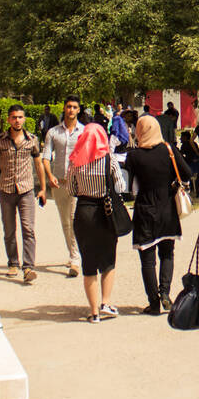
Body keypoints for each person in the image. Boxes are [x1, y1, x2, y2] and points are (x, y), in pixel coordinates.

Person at [124, 115, 191, 315]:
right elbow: (187, 173)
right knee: (167, 253)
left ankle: (153, 302)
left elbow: (127, 186)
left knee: (147, 259)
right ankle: (165, 294)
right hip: (167, 208)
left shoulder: (134, 156)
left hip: (145, 209)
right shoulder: (169, 150)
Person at [67, 123, 127, 321]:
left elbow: (71, 190)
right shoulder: (108, 160)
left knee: (89, 262)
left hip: (84, 211)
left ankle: (93, 312)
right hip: (105, 211)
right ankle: (106, 302)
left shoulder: (75, 161)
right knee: (108, 259)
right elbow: (120, 185)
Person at [0, 104, 46, 284]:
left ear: (24, 119)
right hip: (7, 190)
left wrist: (43, 188)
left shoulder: (31, 140)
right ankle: (13, 262)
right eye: (13, 117)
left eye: (20, 117)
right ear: (8, 119)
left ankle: (28, 267)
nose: (17, 120)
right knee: (9, 230)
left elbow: (39, 164)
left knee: (28, 229)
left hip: (26, 190)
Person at [40, 95, 85, 278]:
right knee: (65, 221)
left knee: (74, 219)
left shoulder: (84, 132)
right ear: (64, 109)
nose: (71, 110)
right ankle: (73, 253)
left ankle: (75, 258)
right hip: (58, 182)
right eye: (68, 107)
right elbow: (45, 156)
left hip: (77, 182)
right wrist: (49, 176)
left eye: (74, 107)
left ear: (79, 110)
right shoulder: (53, 132)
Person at [179, 129, 199, 195]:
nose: (180, 139)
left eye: (182, 137)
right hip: (198, 167)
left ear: (185, 138)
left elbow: (181, 155)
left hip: (190, 168)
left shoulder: (185, 145)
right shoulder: (194, 143)